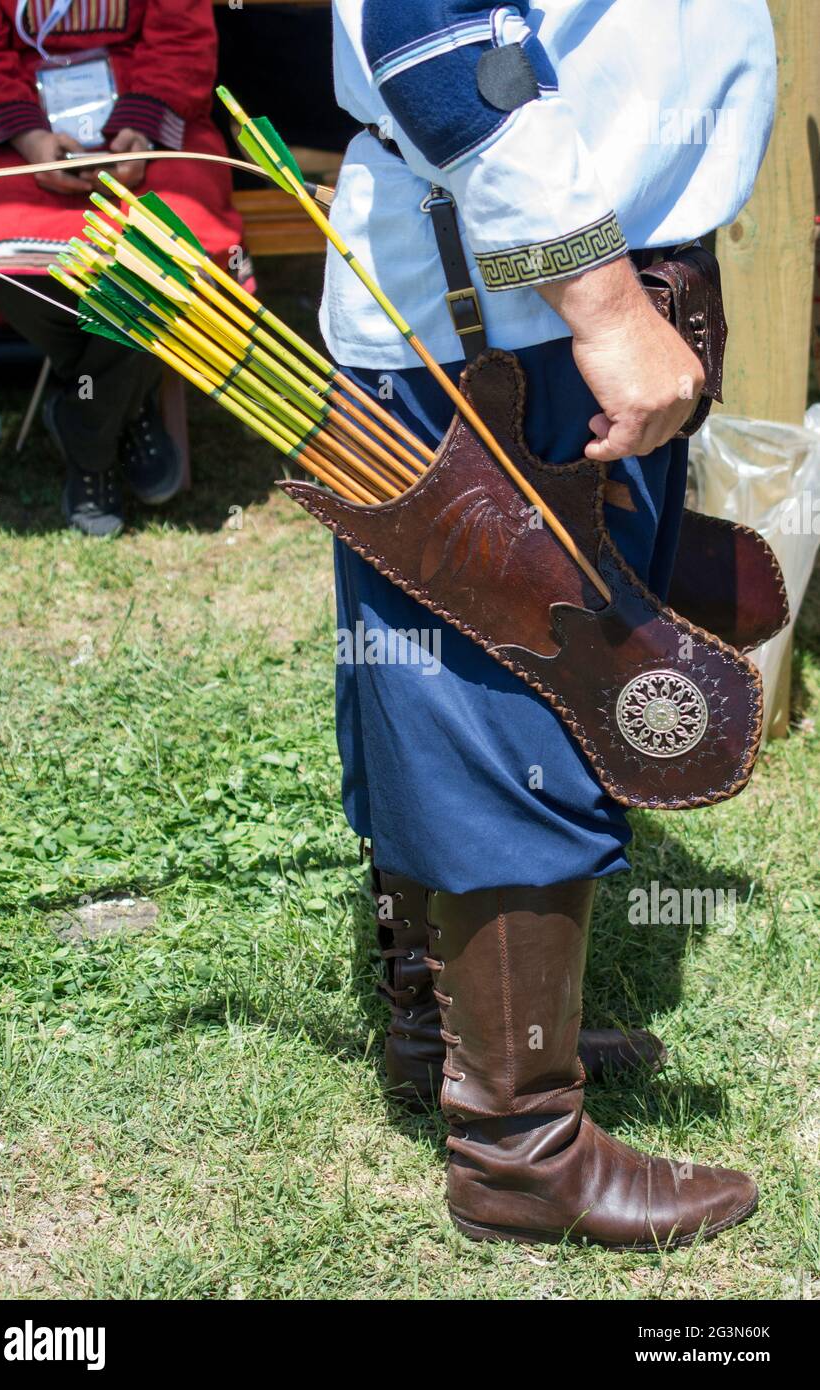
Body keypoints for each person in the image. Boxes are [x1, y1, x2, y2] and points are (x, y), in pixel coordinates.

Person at [321, 1, 777, 1249]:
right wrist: (602, 301)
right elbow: (434, 31)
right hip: (513, 319)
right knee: (515, 700)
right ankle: (518, 1146)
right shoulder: (576, 307)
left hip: (546, 300)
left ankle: (444, 1028)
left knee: (473, 687)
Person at [0, 0, 254, 537]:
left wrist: (139, 130)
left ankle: (87, 434)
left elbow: (182, 34)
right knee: (1, 258)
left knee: (170, 259)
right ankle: (125, 405)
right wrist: (32, 140)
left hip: (149, 130)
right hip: (25, 135)